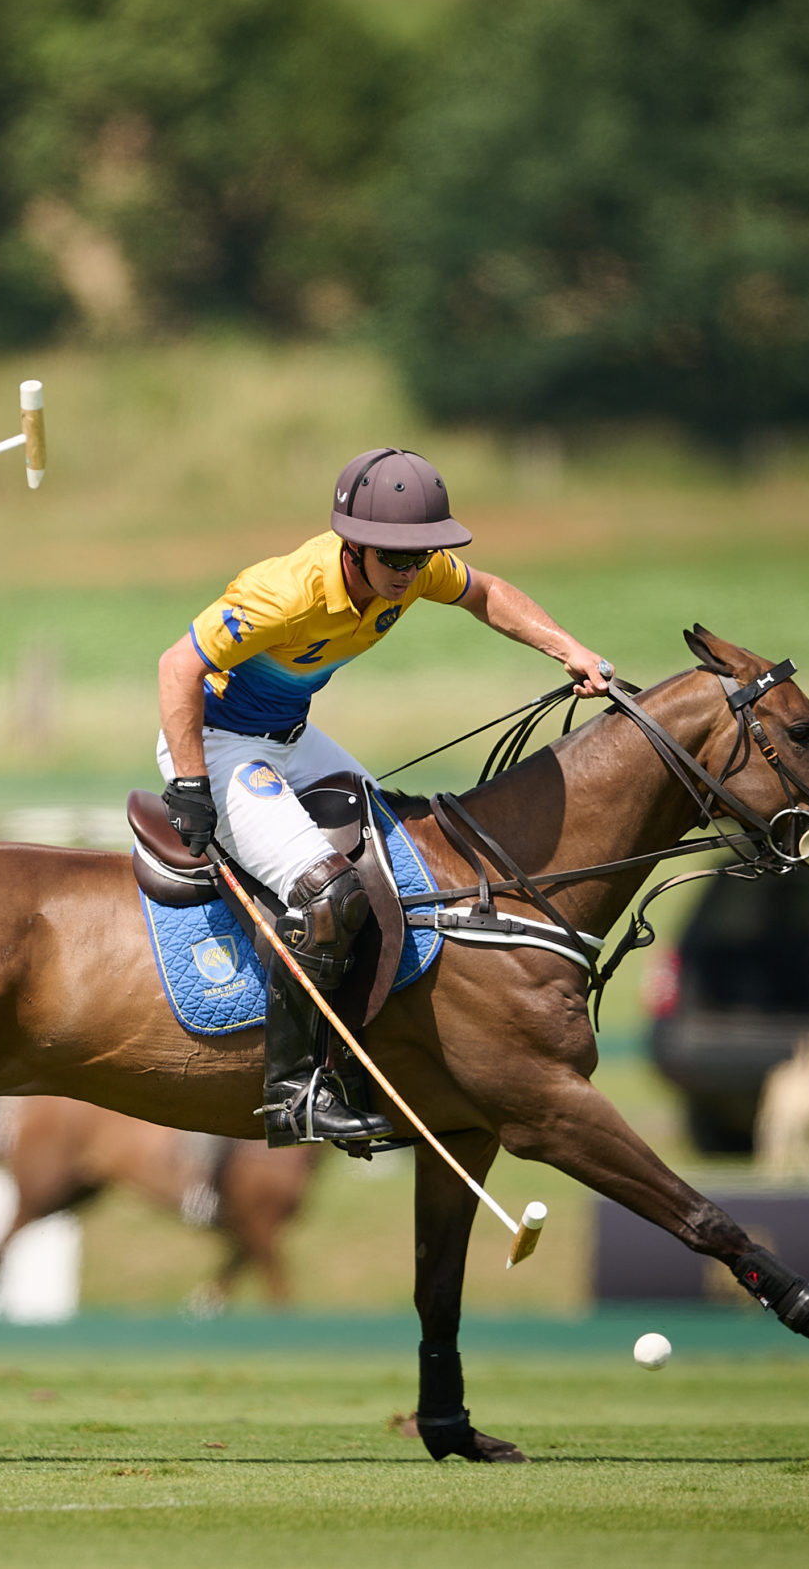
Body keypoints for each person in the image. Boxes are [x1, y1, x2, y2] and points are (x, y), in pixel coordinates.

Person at [155, 447, 613, 1149]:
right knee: (326, 893)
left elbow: (484, 591)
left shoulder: (411, 567)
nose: (411, 573)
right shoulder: (287, 591)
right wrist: (190, 782)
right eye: (397, 559)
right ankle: (292, 1094)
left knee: (400, 860)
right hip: (218, 741)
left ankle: (377, 1053)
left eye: (421, 556)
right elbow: (178, 665)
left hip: (290, 737)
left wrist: (567, 647)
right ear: (355, 545)